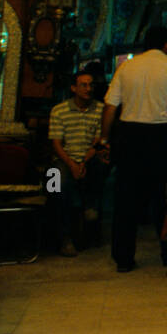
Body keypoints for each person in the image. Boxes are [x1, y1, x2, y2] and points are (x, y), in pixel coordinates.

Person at [101, 26, 167, 273]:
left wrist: (104, 138)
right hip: (164, 137)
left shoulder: (126, 67)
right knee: (165, 198)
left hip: (130, 136)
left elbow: (110, 107)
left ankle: (123, 258)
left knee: (126, 199)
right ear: (166, 44)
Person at [48, 70, 108, 257]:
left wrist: (83, 161)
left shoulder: (100, 109)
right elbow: (56, 144)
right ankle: (64, 237)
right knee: (56, 184)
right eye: (83, 85)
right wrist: (72, 163)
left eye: (90, 85)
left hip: (89, 158)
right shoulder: (59, 110)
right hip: (64, 159)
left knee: (103, 165)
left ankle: (92, 208)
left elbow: (98, 141)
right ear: (73, 88)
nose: (88, 89)